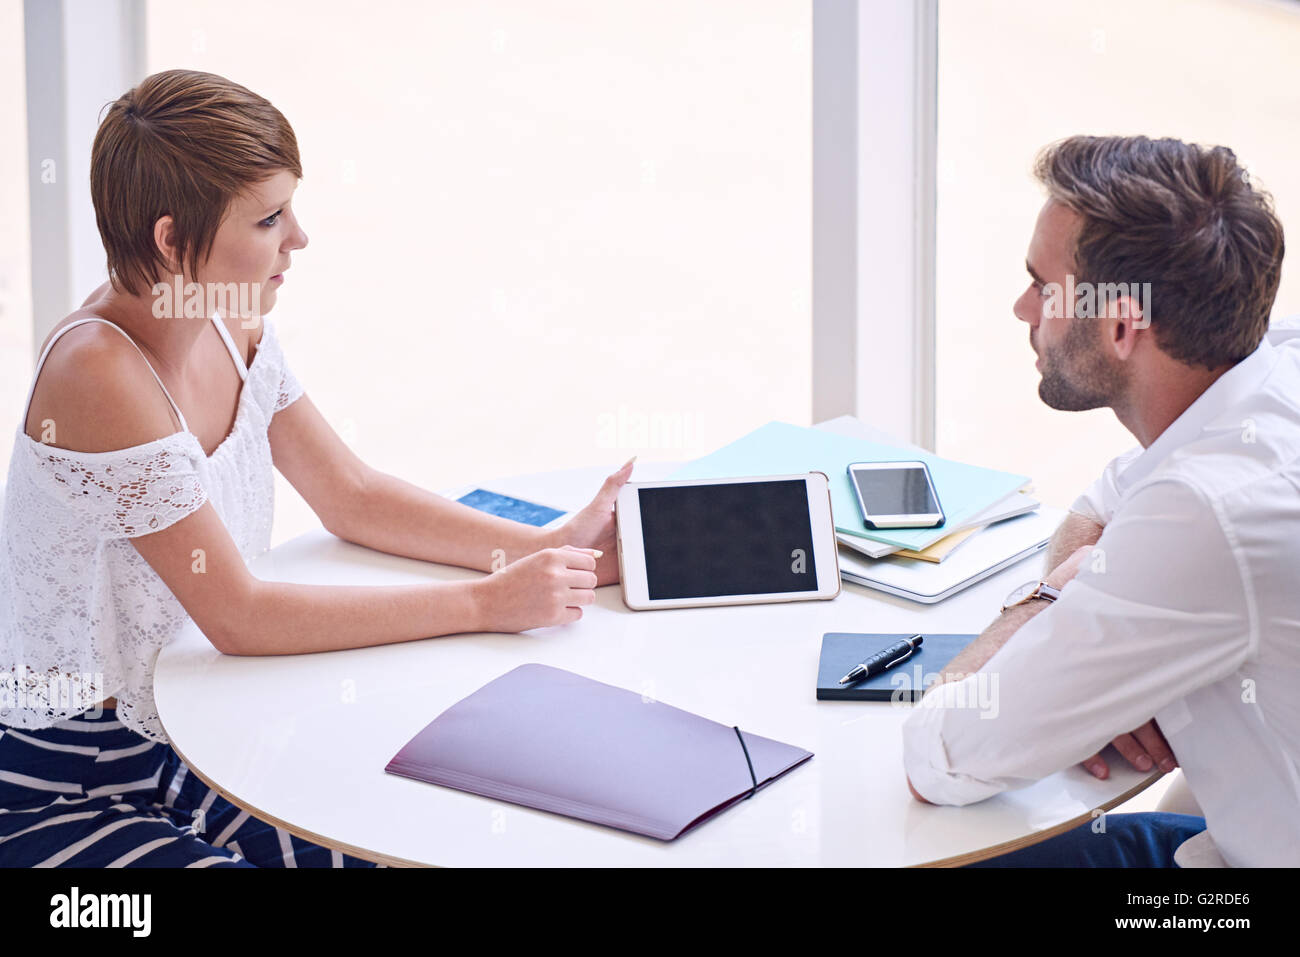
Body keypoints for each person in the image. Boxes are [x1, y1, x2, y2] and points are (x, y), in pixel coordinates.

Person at [0, 69, 633, 867]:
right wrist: (485, 601)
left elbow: (351, 494)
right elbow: (240, 616)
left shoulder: (227, 317)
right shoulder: (98, 374)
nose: (298, 238)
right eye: (269, 218)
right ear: (170, 239)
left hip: (194, 736)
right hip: (67, 782)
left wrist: (543, 546)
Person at [901, 134, 1298, 867]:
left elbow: (942, 755)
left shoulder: (1204, 512)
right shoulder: (1270, 366)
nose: (1023, 307)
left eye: (1043, 287)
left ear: (1120, 324)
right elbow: (1104, 497)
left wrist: (1050, 601)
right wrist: (1112, 661)